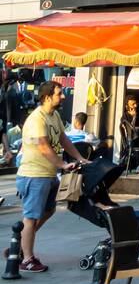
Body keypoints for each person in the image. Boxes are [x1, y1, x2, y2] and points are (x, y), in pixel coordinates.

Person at [15, 81, 90, 272]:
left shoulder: (54, 115)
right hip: (33, 175)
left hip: (48, 174)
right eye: (59, 94)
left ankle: (21, 245)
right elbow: (43, 147)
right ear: (47, 97)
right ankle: (27, 259)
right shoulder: (36, 119)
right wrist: (63, 164)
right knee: (31, 217)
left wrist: (80, 157)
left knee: (49, 211)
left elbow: (63, 140)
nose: (63, 96)